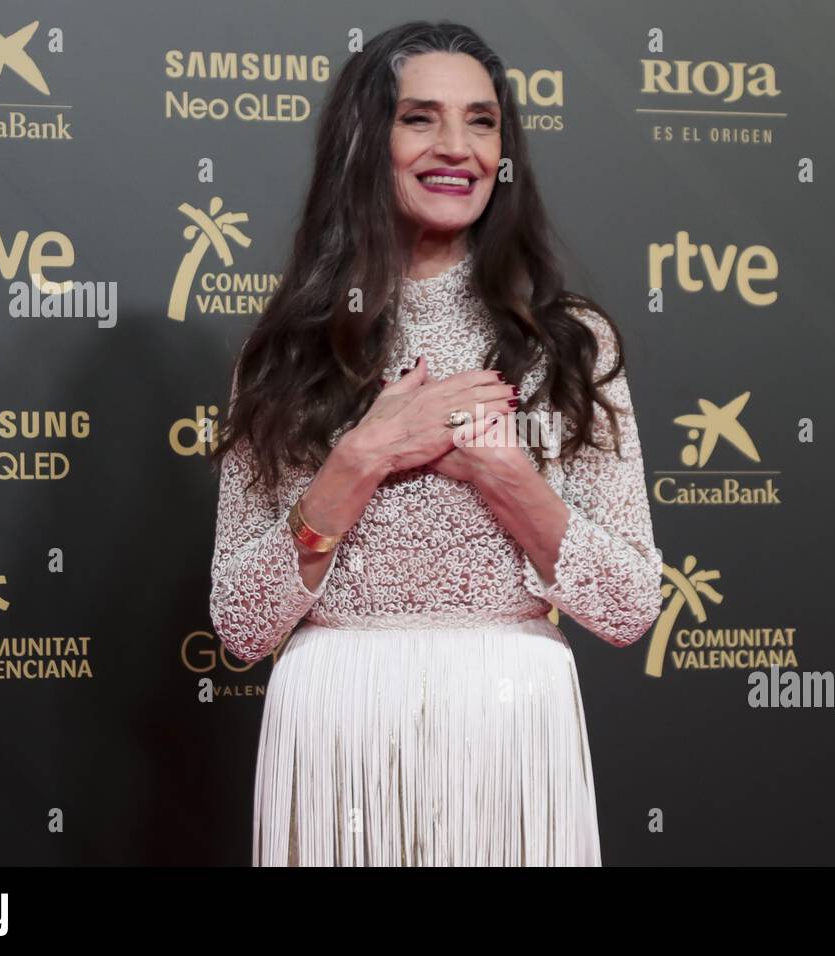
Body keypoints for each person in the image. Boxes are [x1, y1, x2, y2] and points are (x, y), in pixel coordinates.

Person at [208, 20, 663, 867]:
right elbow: (240, 623)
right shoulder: (289, 352)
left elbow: (630, 607)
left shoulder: (570, 343)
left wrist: (507, 477)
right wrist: (361, 458)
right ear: (364, 142)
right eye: (420, 118)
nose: (457, 147)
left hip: (508, 730)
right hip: (336, 730)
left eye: (481, 122)